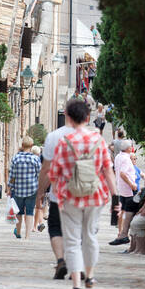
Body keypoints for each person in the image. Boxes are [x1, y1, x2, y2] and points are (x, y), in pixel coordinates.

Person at [49, 97, 115, 289]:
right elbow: (107, 170)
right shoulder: (98, 140)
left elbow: (54, 173)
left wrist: (57, 193)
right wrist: (115, 196)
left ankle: (76, 280)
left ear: (68, 117)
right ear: (88, 117)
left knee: (72, 240)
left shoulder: (64, 142)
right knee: (90, 236)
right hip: (95, 196)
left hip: (70, 196)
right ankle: (90, 276)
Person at [36, 100, 93, 279]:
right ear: (87, 117)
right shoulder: (91, 137)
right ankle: (80, 266)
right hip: (84, 192)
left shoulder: (54, 137)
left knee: (56, 228)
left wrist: (40, 192)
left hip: (58, 193)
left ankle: (61, 260)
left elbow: (46, 169)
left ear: (66, 115)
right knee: (81, 230)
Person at [9, 135, 41, 240]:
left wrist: (10, 187)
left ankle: (18, 232)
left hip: (18, 189)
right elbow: (39, 175)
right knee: (30, 212)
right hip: (32, 189)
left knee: (18, 212)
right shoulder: (36, 159)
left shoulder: (16, 158)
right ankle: (27, 236)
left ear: (22, 145)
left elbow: (12, 175)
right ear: (31, 146)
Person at [109, 138, 138, 246]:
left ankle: (121, 233)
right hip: (128, 189)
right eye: (131, 146)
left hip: (121, 188)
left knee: (122, 211)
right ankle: (124, 235)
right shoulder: (126, 159)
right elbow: (123, 173)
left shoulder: (118, 156)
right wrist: (132, 184)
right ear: (128, 148)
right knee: (130, 213)